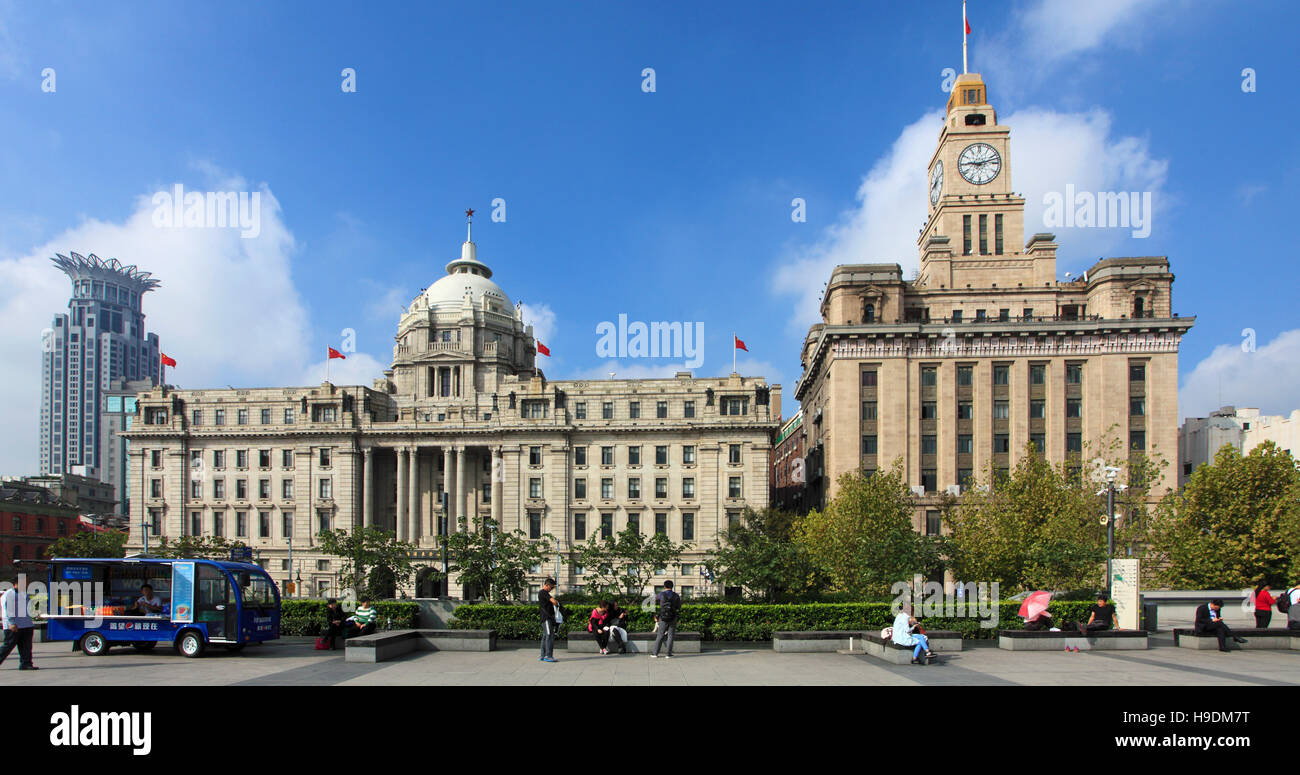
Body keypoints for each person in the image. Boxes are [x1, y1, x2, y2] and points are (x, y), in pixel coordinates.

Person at [0, 575, 38, 670]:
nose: (27, 584)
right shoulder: (9, 594)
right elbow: (7, 609)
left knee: (26, 647)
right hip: (14, 625)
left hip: (26, 624)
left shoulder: (24, 594)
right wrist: (11, 623)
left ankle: (26, 663)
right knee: (8, 646)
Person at [651, 581, 681, 659]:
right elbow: (678, 607)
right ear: (672, 586)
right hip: (673, 617)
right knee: (670, 636)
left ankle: (655, 653)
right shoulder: (676, 595)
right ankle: (668, 654)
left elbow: (653, 599)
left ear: (664, 587)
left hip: (663, 617)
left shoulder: (661, 594)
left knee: (660, 635)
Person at [538, 578, 560, 663]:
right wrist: (558, 603)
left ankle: (543, 655)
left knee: (545, 636)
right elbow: (554, 601)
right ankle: (548, 655)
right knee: (549, 635)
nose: (552, 589)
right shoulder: (543, 592)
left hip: (546, 618)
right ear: (547, 585)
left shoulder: (543, 593)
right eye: (551, 587)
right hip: (546, 618)